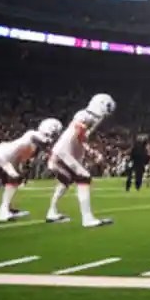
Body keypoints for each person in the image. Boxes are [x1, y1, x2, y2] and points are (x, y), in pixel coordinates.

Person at [46, 93, 115, 228]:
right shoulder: (85, 115)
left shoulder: (89, 117)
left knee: (65, 181)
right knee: (84, 178)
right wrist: (92, 152)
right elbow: (79, 133)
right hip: (64, 152)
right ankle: (87, 218)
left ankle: (51, 212)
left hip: (63, 152)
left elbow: (80, 138)